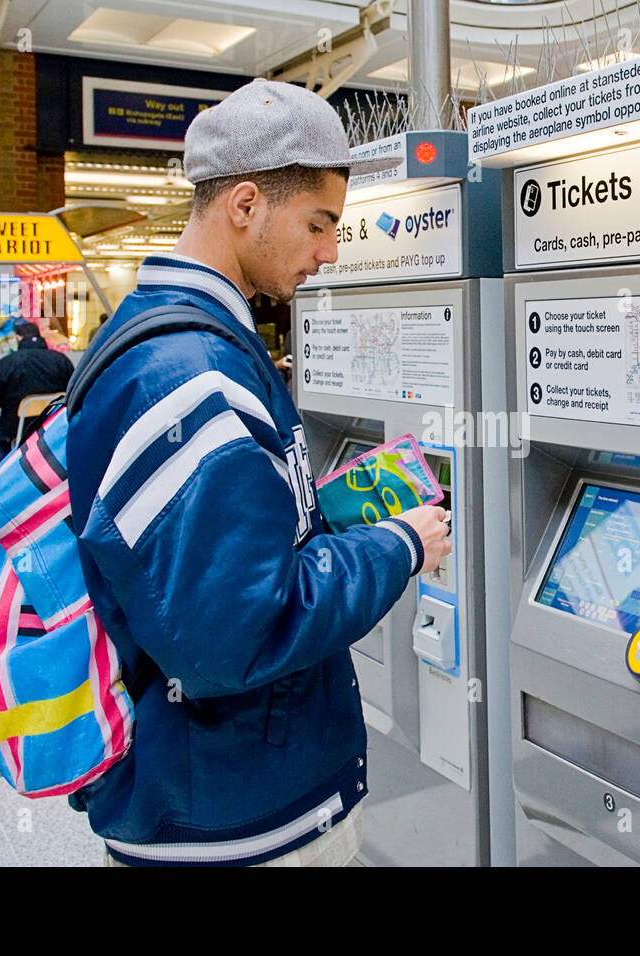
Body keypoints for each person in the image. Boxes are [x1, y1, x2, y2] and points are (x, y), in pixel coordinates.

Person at [64, 79, 451, 867]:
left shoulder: (155, 336)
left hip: (205, 790)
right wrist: (399, 545)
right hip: (238, 821)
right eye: (318, 223)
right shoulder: (196, 377)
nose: (330, 252)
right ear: (245, 205)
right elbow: (236, 638)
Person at [0, 321, 74, 463]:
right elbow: (72, 389)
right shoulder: (60, 359)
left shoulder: (6, 363)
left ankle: (10, 468)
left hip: (16, 424)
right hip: (54, 422)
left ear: (18, 338)